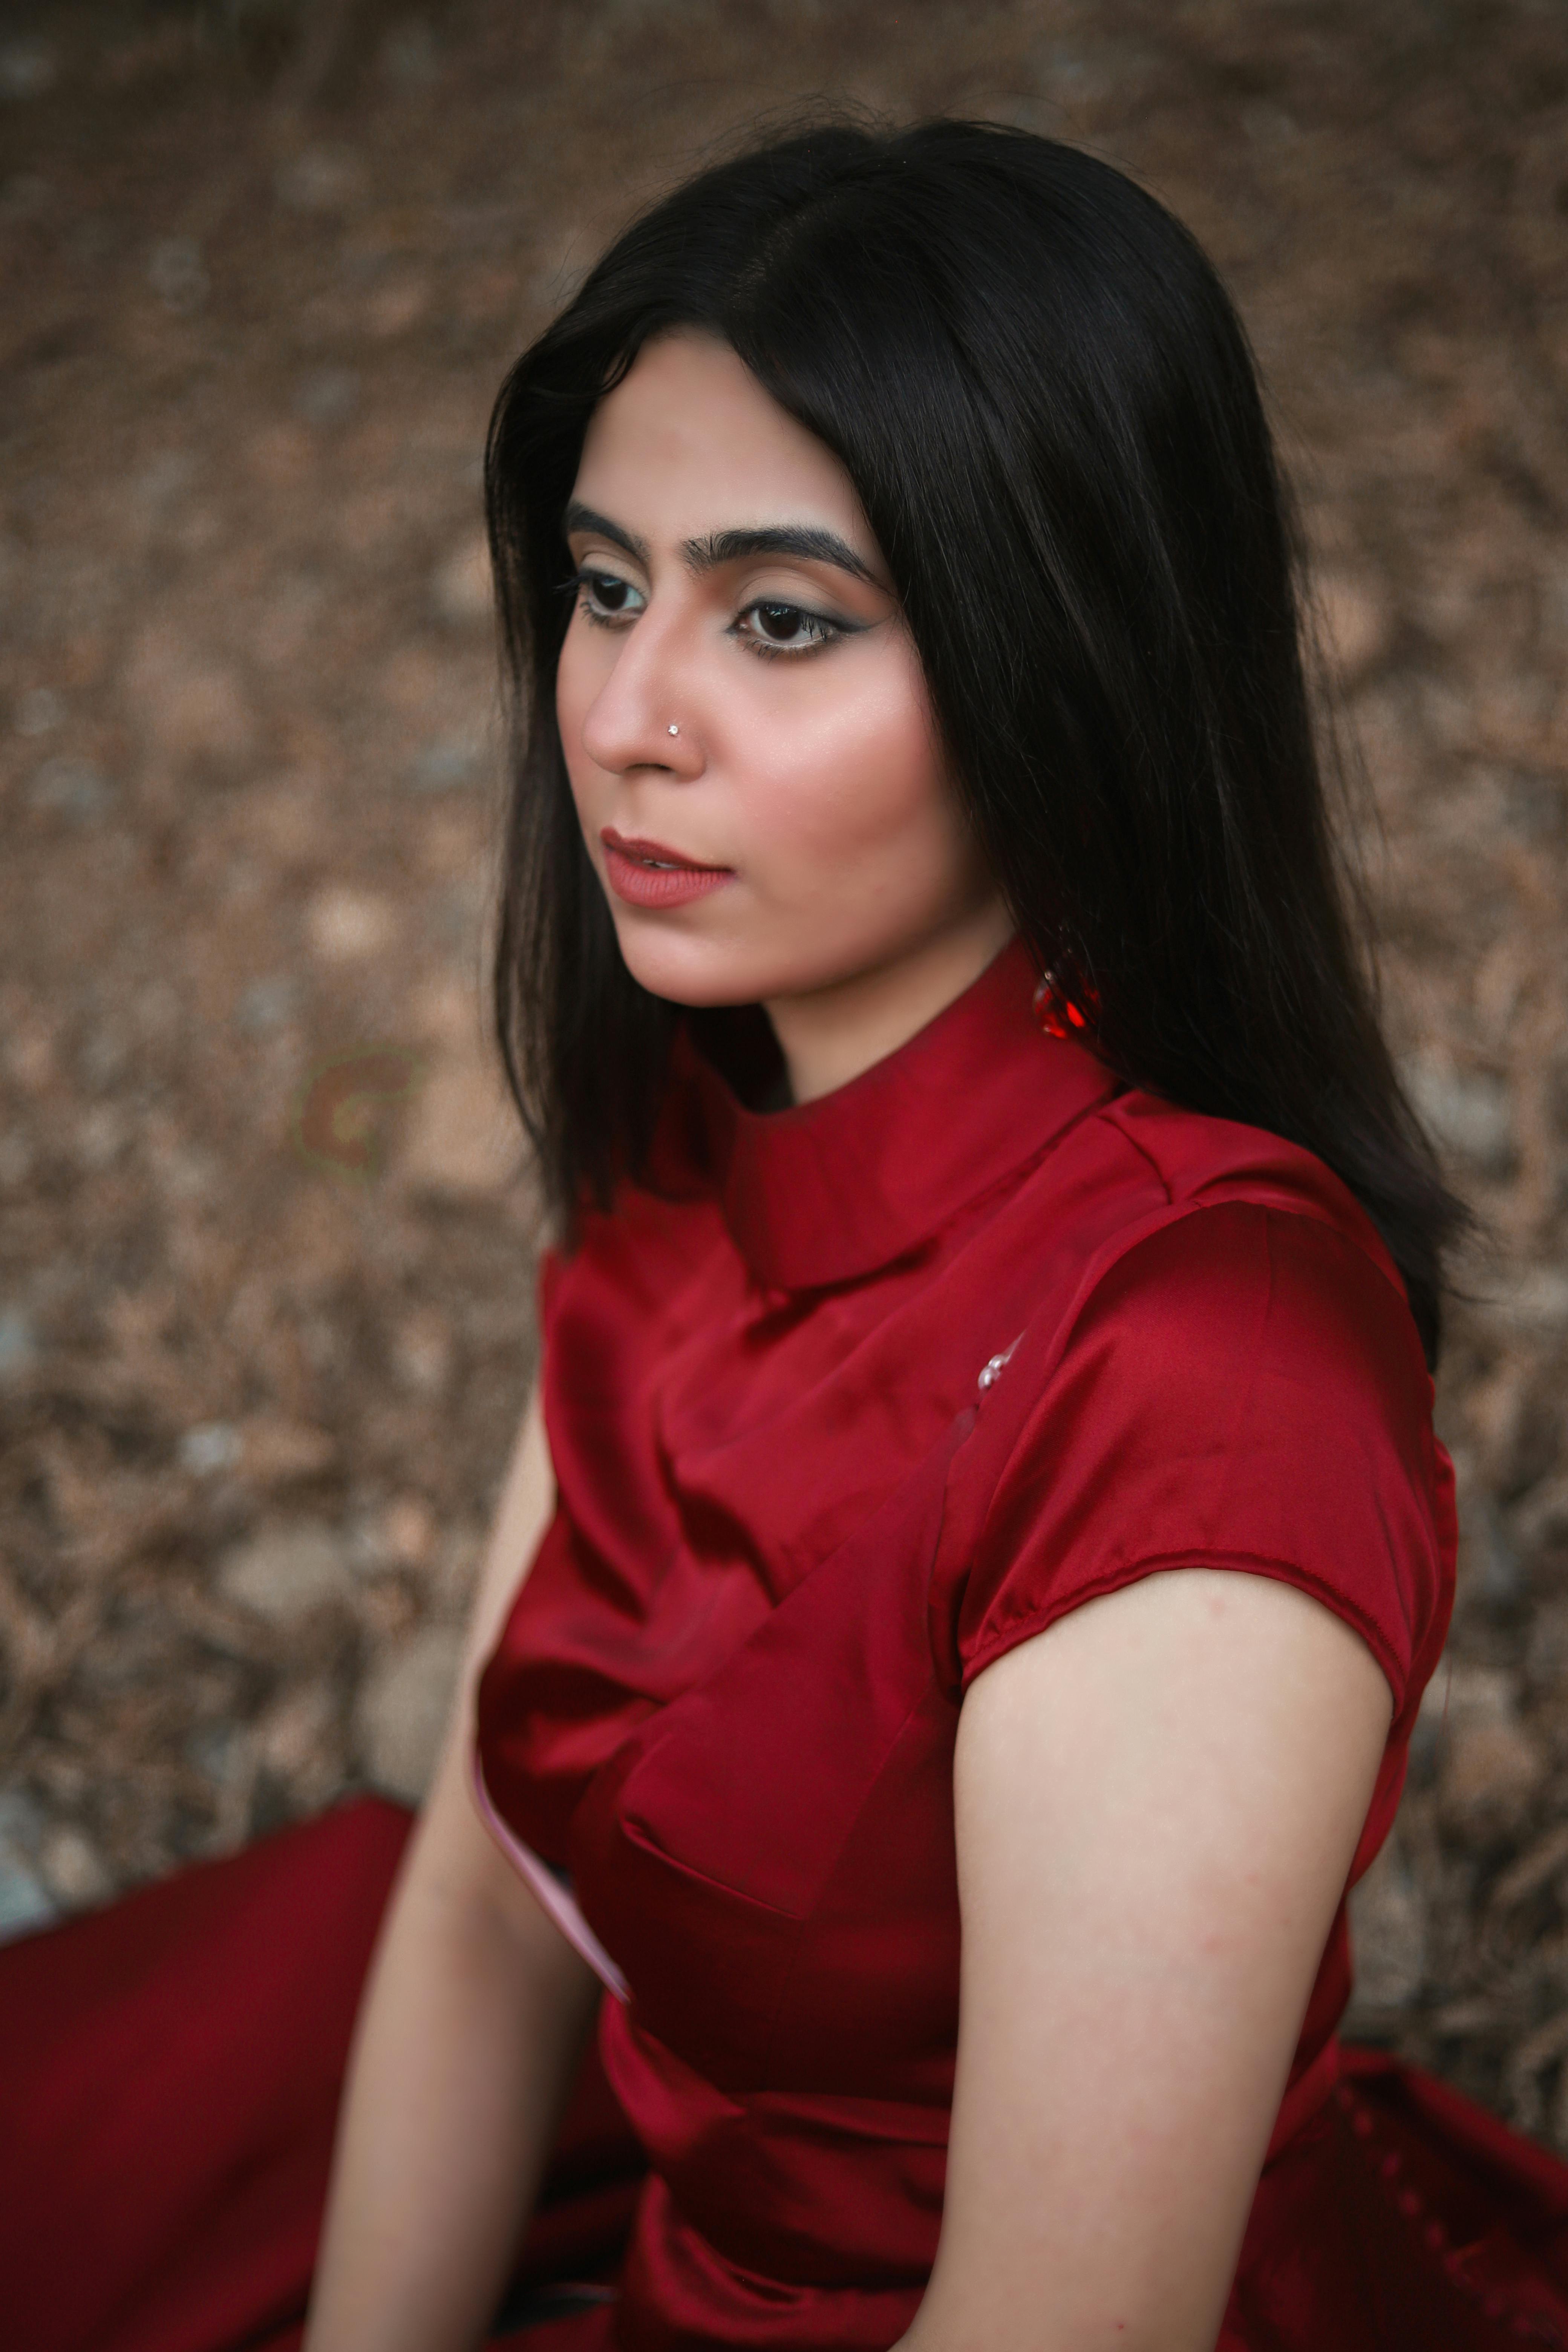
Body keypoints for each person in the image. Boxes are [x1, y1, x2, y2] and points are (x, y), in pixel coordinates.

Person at [8, 116, 1568, 2352]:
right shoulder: (698, 1134)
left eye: (779, 619)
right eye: (608, 585)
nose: (626, 722)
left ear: (1068, 661)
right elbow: (476, 1917)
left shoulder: (1201, 1389)